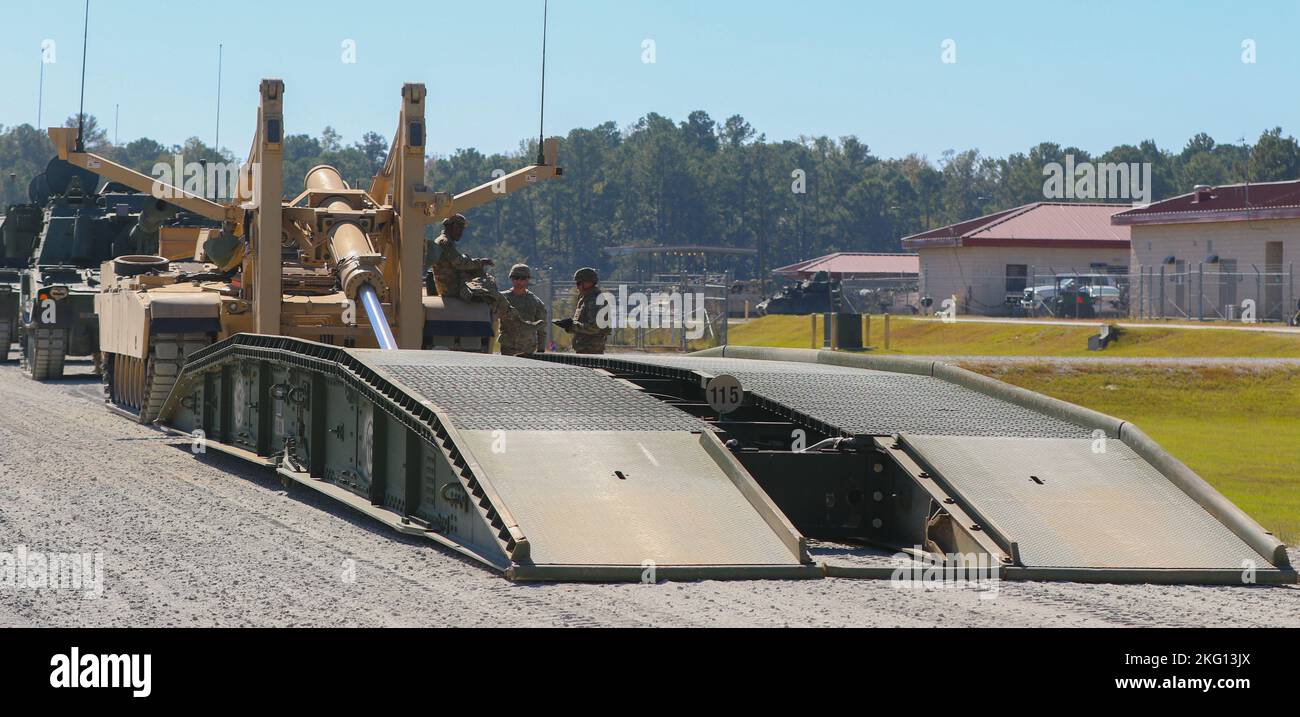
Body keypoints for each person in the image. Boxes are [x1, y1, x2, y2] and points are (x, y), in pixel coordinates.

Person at [426, 214, 518, 319]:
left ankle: (511, 314)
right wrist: (480, 263)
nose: (460, 232)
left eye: (462, 228)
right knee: (487, 286)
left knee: (485, 282)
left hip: (452, 285)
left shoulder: (444, 242)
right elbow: (460, 263)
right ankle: (512, 316)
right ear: (449, 226)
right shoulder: (444, 242)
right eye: (458, 228)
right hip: (452, 288)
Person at [498, 263, 548, 356]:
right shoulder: (502, 298)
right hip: (508, 347)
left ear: (528, 279)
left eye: (523, 278)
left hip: (528, 348)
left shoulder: (536, 302)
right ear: (511, 279)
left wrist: (541, 350)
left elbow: (541, 328)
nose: (519, 281)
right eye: (516, 278)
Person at [564, 267, 611, 355]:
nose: (577, 286)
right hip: (585, 347)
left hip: (591, 348)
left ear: (588, 283)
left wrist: (572, 325)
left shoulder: (594, 301)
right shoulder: (586, 298)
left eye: (579, 283)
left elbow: (594, 328)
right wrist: (569, 326)